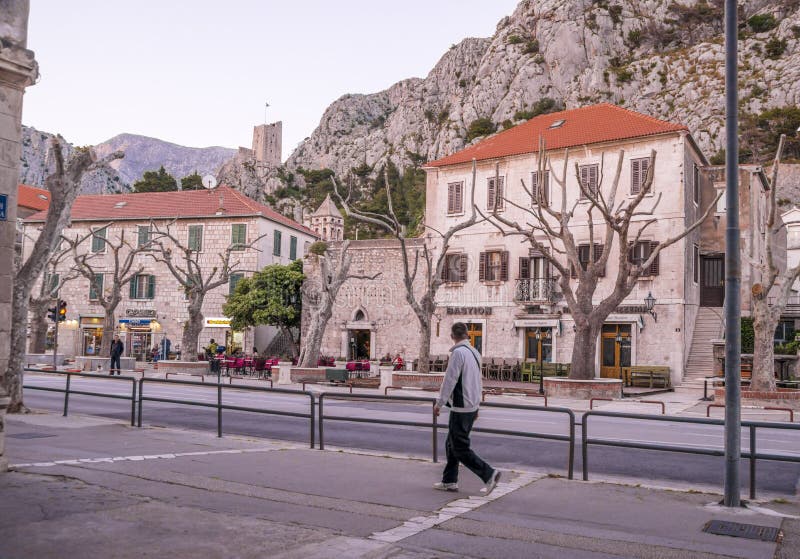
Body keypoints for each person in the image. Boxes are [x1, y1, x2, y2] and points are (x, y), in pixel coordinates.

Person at [433, 322, 501, 494]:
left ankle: (489, 474)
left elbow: (450, 380)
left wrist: (439, 403)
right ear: (467, 335)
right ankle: (449, 481)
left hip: (461, 408)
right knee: (451, 443)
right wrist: (477, 405)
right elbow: (478, 381)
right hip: (470, 406)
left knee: (459, 447)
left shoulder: (458, 353)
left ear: (452, 336)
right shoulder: (475, 352)